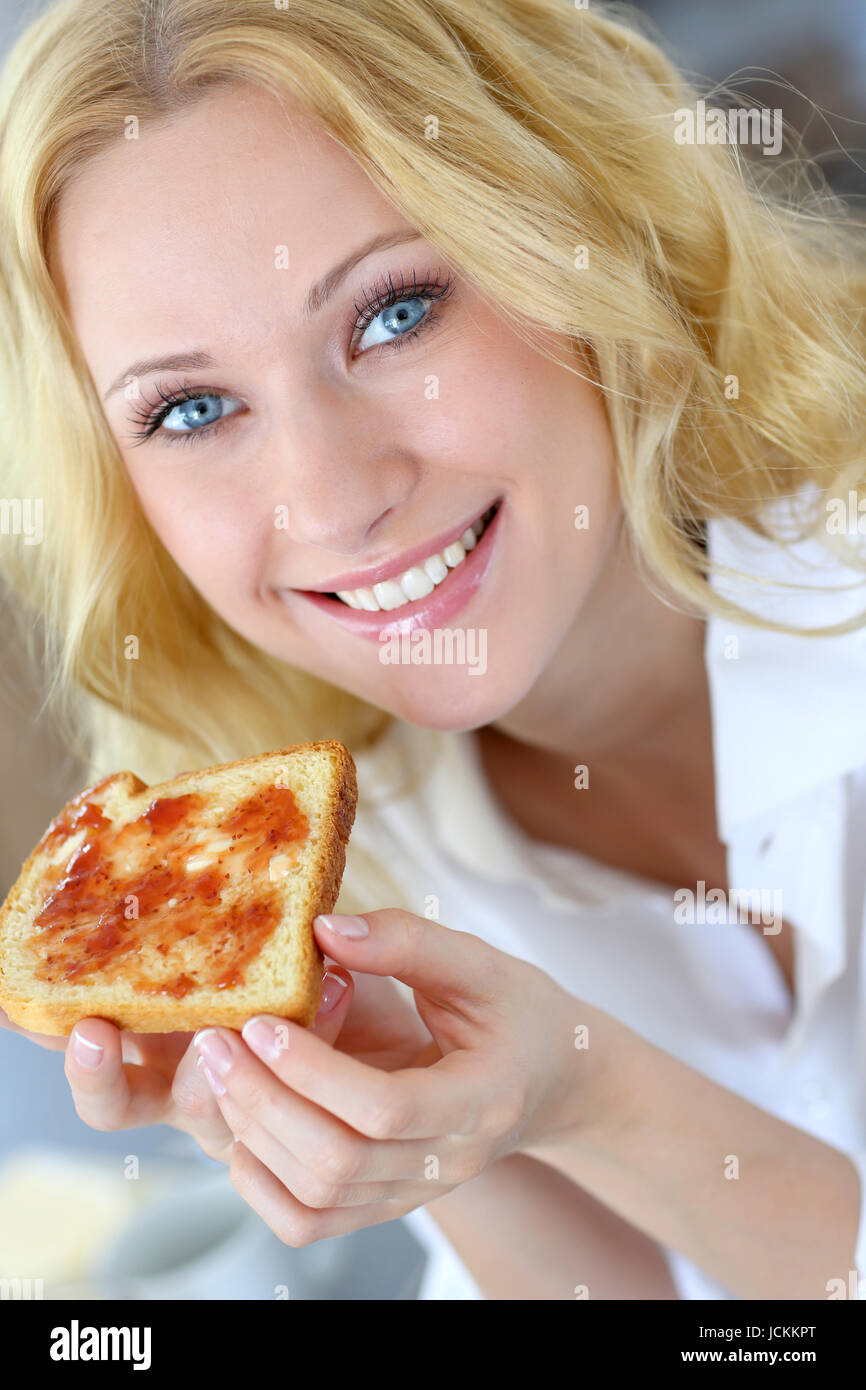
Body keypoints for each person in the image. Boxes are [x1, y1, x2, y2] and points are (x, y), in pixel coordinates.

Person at [0, 0, 864, 1301]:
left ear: (585, 232)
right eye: (190, 406)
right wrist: (439, 1131)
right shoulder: (350, 866)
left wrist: (590, 1081)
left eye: (395, 314)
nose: (332, 496)